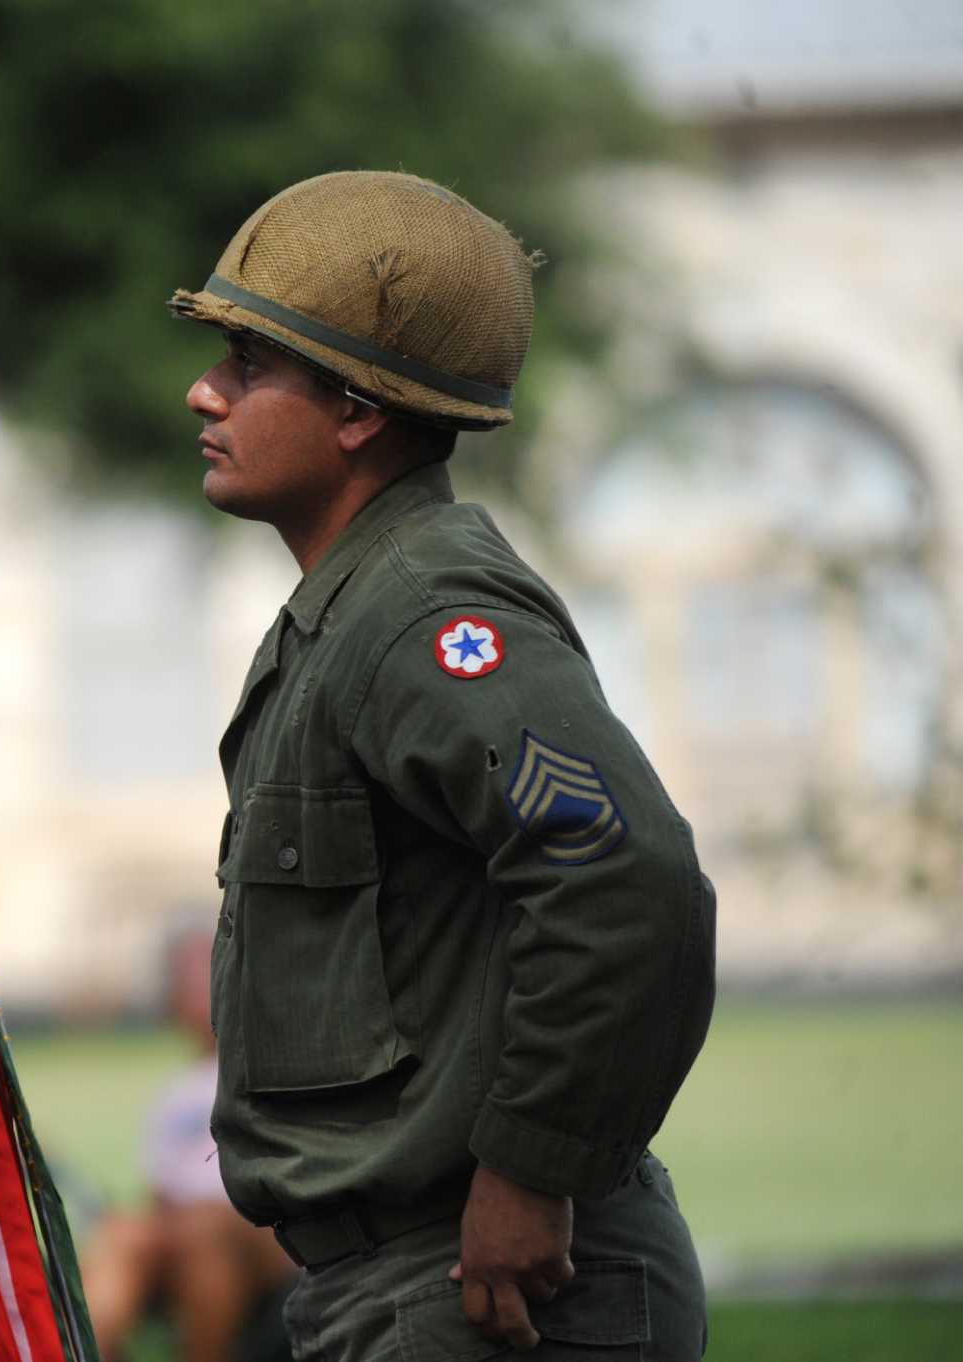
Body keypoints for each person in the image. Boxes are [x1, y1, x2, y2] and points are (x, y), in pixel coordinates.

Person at [169, 172, 716, 1361]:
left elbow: (625, 881)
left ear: (359, 411)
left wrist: (531, 1167)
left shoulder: (426, 616)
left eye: (251, 366)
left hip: (492, 1287)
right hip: (396, 1286)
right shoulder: (349, 613)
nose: (201, 391)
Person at [83, 927, 298, 1362]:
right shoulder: (175, 1094)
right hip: (185, 1229)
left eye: (205, 974)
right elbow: (158, 1199)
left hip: (264, 1233)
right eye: (186, 979)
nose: (197, 990)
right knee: (120, 1235)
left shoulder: (281, 1072)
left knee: (203, 1232)